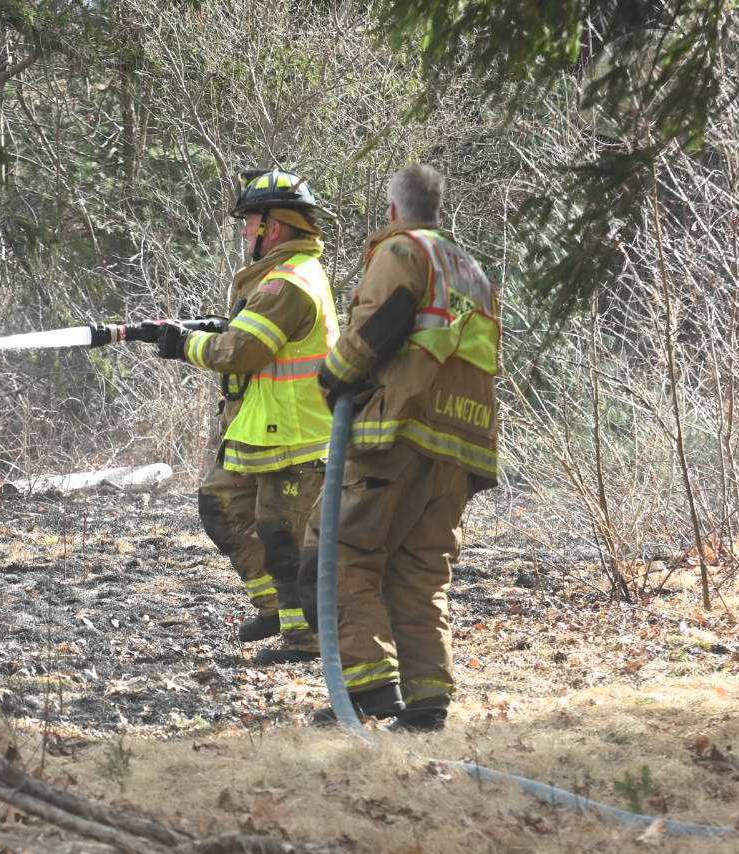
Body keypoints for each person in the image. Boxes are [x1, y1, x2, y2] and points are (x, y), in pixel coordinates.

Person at [298, 164, 500, 731]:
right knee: (419, 570)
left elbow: (381, 324)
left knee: (336, 555)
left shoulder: (401, 251)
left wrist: (335, 375)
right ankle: (428, 700)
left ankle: (367, 686)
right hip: (462, 443)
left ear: (393, 210)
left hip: (401, 431)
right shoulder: (471, 270)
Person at [152, 169, 339, 665]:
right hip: (261, 429)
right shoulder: (276, 278)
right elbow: (249, 335)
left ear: (271, 227)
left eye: (248, 221)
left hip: (297, 436)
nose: (242, 231)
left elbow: (240, 353)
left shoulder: (291, 283)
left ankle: (305, 641)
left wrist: (182, 343)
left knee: (284, 536)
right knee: (220, 506)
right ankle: (275, 606)